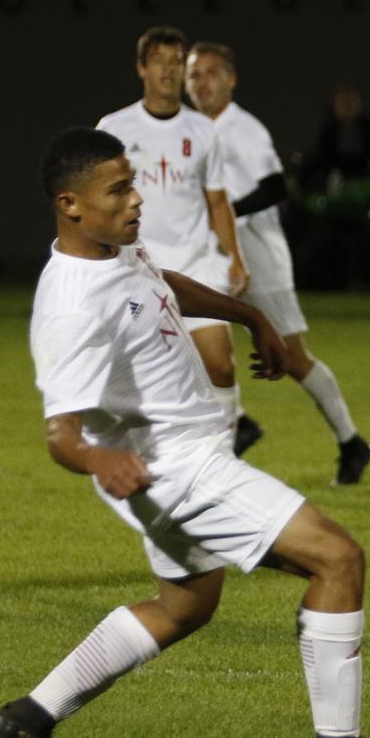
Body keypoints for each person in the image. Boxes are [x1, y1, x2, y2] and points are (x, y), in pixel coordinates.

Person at [0, 127, 370, 738]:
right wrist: (100, 459)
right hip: (177, 469)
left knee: (183, 607)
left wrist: (250, 315)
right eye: (118, 190)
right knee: (338, 559)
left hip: (178, 462)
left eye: (132, 184)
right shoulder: (72, 306)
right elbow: (60, 436)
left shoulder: (114, 248)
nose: (136, 199)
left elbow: (162, 283)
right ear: (70, 204)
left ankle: (30, 717)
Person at [185, 41, 370, 484]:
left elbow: (275, 188)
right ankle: (237, 424)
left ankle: (351, 442)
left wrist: (222, 212)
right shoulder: (191, 129)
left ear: (231, 80)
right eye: (194, 74)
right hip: (214, 255)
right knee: (189, 337)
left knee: (290, 357)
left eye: (212, 73)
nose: (202, 82)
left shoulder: (242, 127)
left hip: (259, 254)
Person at [96, 26, 259, 454]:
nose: (168, 71)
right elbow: (98, 198)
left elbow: (217, 201)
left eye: (175, 62)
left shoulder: (203, 130)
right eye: (158, 62)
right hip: (138, 268)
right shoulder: (114, 127)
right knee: (142, 378)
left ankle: (222, 455)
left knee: (220, 366)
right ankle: (147, 460)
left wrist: (235, 257)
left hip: (195, 262)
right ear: (141, 69)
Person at [301, 82, 370, 192]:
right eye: (344, 103)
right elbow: (323, 153)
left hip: (362, 166)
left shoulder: (368, 126)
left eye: (352, 102)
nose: (348, 107)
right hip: (336, 167)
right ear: (335, 106)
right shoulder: (329, 128)